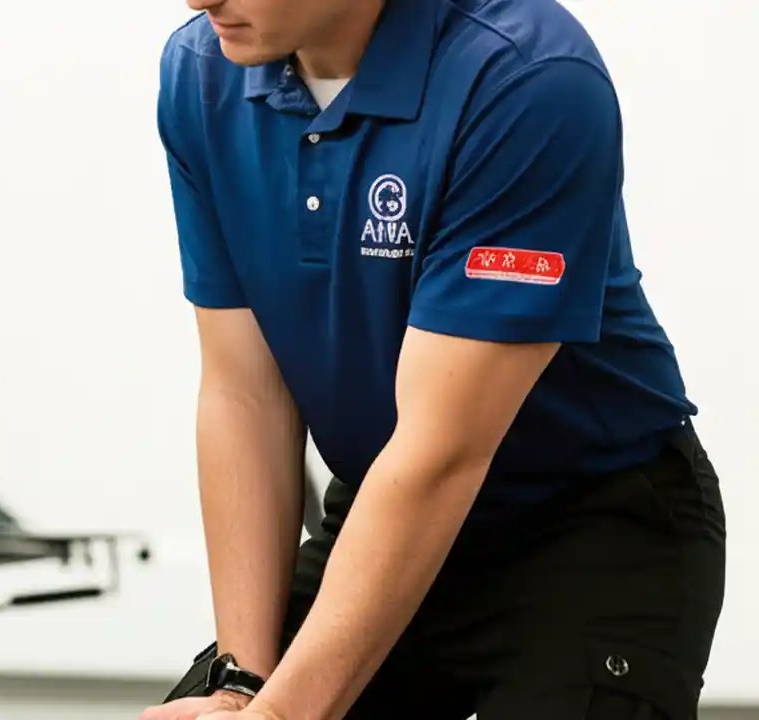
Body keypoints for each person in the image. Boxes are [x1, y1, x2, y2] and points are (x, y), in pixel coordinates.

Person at [144, 0, 726, 718]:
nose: (197, 0)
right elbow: (246, 396)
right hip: (378, 512)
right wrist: (244, 684)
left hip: (587, 527)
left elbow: (442, 452)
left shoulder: (528, 77)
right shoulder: (204, 75)